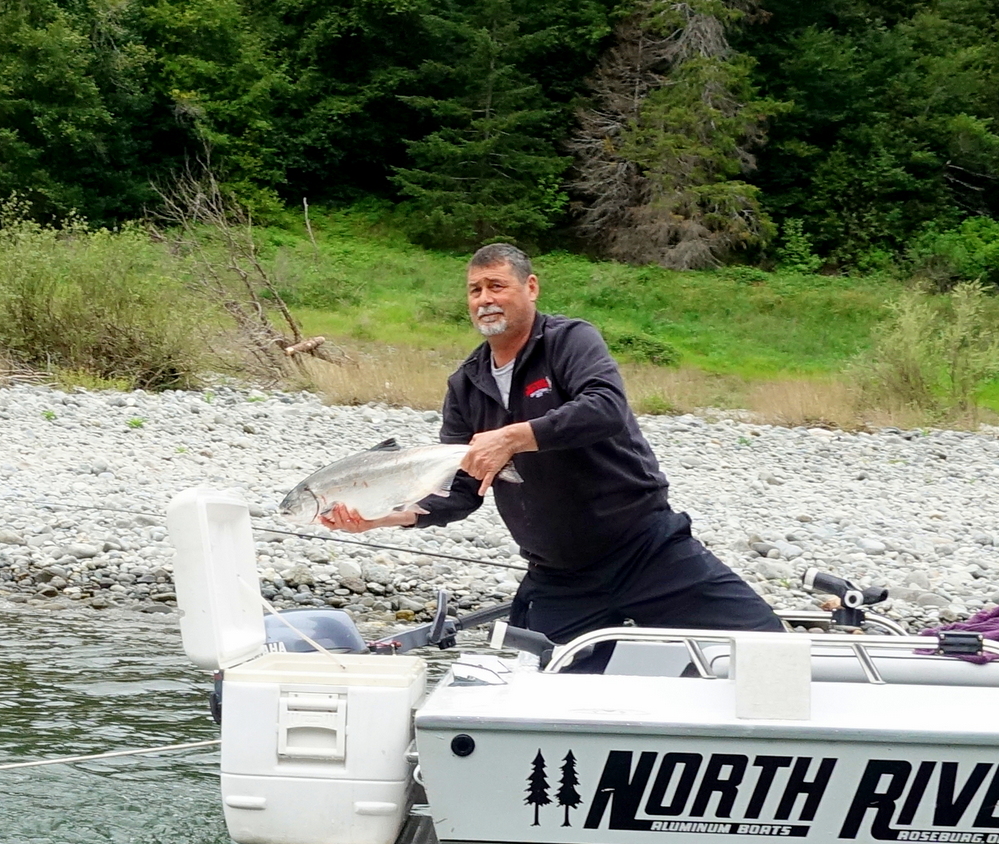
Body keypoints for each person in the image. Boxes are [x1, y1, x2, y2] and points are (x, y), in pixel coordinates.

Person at [321, 242, 781, 660]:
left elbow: (605, 407)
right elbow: (461, 490)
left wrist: (512, 438)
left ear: (531, 287)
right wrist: (383, 516)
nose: (485, 299)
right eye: (475, 290)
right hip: (560, 575)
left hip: (648, 549)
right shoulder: (465, 385)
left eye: (497, 285)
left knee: (769, 648)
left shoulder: (569, 341)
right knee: (536, 694)